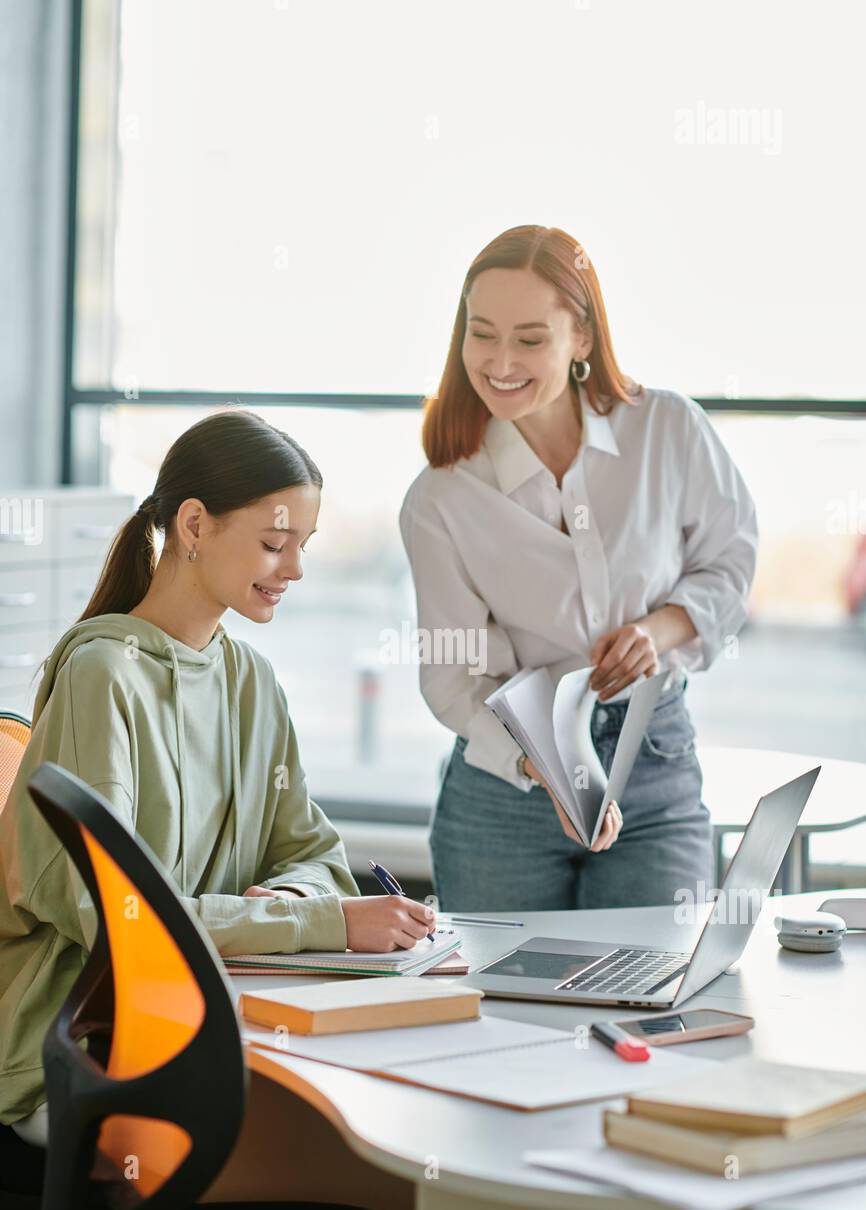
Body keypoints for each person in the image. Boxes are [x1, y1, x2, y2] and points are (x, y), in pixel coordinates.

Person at [0, 409, 434, 1138]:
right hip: (75, 1045)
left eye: (303, 546)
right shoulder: (102, 675)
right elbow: (122, 919)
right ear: (194, 526)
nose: (294, 569)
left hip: (205, 1012)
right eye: (274, 543)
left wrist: (292, 898)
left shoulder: (250, 680)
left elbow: (313, 857)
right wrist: (313, 919)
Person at [399, 224, 758, 914]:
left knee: (652, 996)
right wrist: (549, 767)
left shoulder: (668, 429)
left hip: (653, 765)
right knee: (506, 1016)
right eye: (482, 333)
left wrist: (657, 630)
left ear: (583, 340)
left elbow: (731, 560)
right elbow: (453, 679)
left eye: (531, 339)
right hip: (507, 790)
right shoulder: (442, 498)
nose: (501, 361)